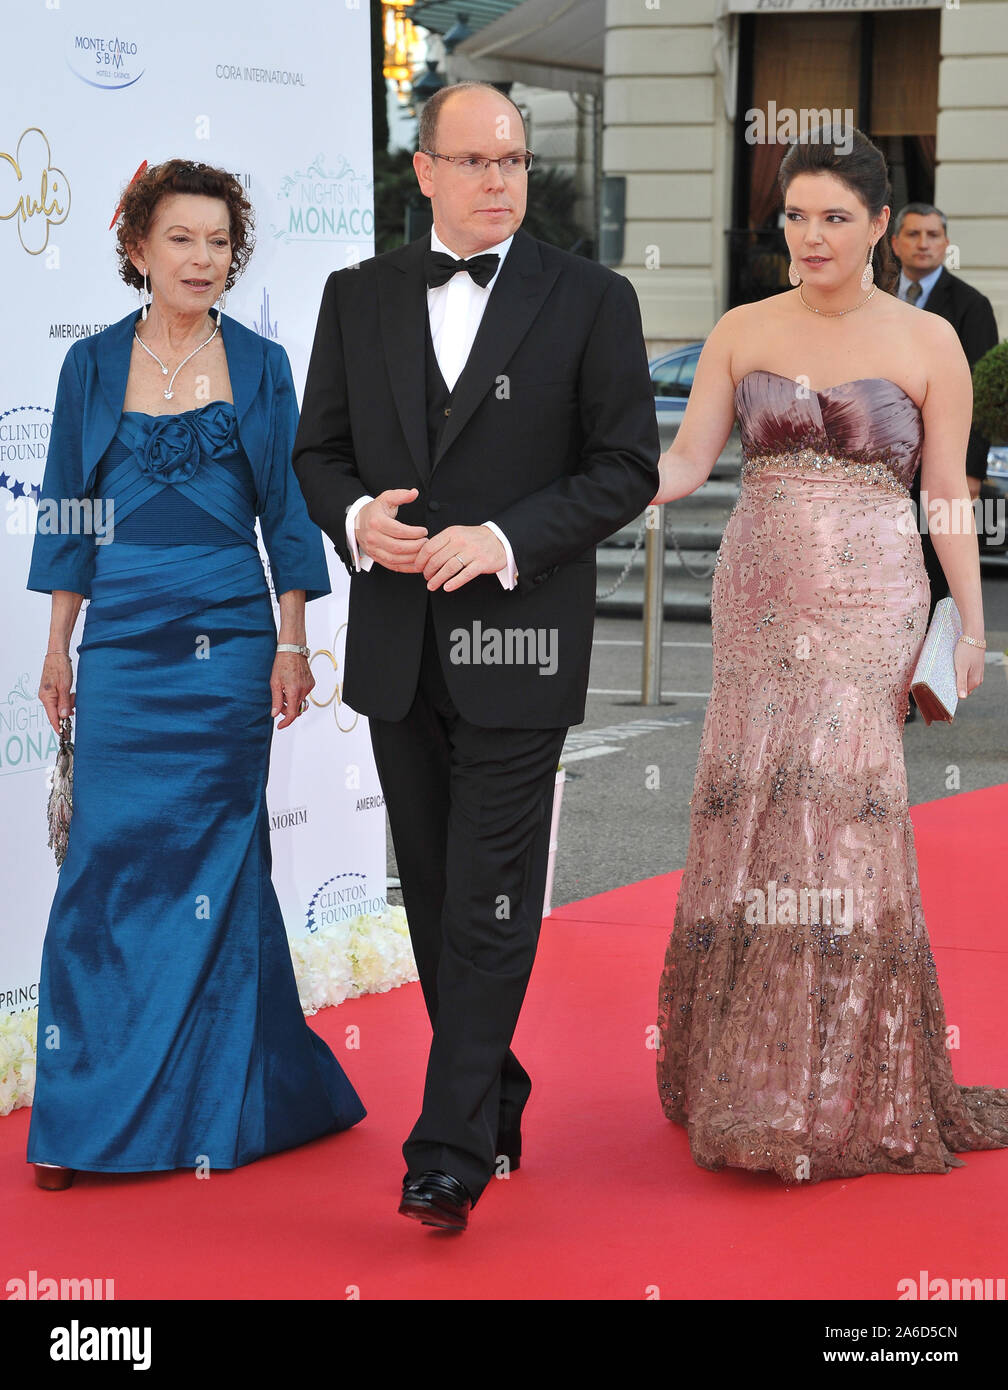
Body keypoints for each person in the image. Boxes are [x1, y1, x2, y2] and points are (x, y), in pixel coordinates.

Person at [293, 81, 659, 1229]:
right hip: (398, 649)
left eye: (514, 159)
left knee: (489, 896)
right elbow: (320, 452)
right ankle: (493, 1090)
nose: (502, 179)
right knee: (439, 890)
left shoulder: (593, 298)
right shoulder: (358, 296)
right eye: (477, 160)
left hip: (522, 640)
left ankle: (445, 1151)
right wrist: (360, 523)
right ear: (425, 173)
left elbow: (625, 468)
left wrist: (503, 538)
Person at [652, 130, 1008, 1183]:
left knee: (840, 816)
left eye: (834, 218)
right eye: (796, 217)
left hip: (872, 595)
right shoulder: (741, 327)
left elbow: (947, 493)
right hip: (757, 587)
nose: (810, 236)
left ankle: (840, 1083)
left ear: (882, 228)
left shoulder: (929, 341)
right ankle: (746, 1072)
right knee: (754, 807)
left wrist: (974, 626)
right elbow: (682, 462)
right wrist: (578, 497)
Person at [26, 158, 365, 1190]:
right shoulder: (88, 366)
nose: (203, 258)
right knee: (103, 867)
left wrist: (296, 640)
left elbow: (286, 514)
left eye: (219, 242)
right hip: (124, 642)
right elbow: (70, 512)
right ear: (139, 248)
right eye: (182, 239)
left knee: (218, 868)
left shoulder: (261, 364)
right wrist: (56, 643)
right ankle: (85, 1110)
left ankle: (218, 1098)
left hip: (228, 641)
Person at [889, 204, 1000, 678]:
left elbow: (977, 394)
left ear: (946, 243)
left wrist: (971, 468)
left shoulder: (971, 306)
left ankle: (928, 677)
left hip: (942, 462)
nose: (923, 243)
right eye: (913, 234)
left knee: (933, 572)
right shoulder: (872, 298)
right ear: (894, 242)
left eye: (933, 234)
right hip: (881, 462)